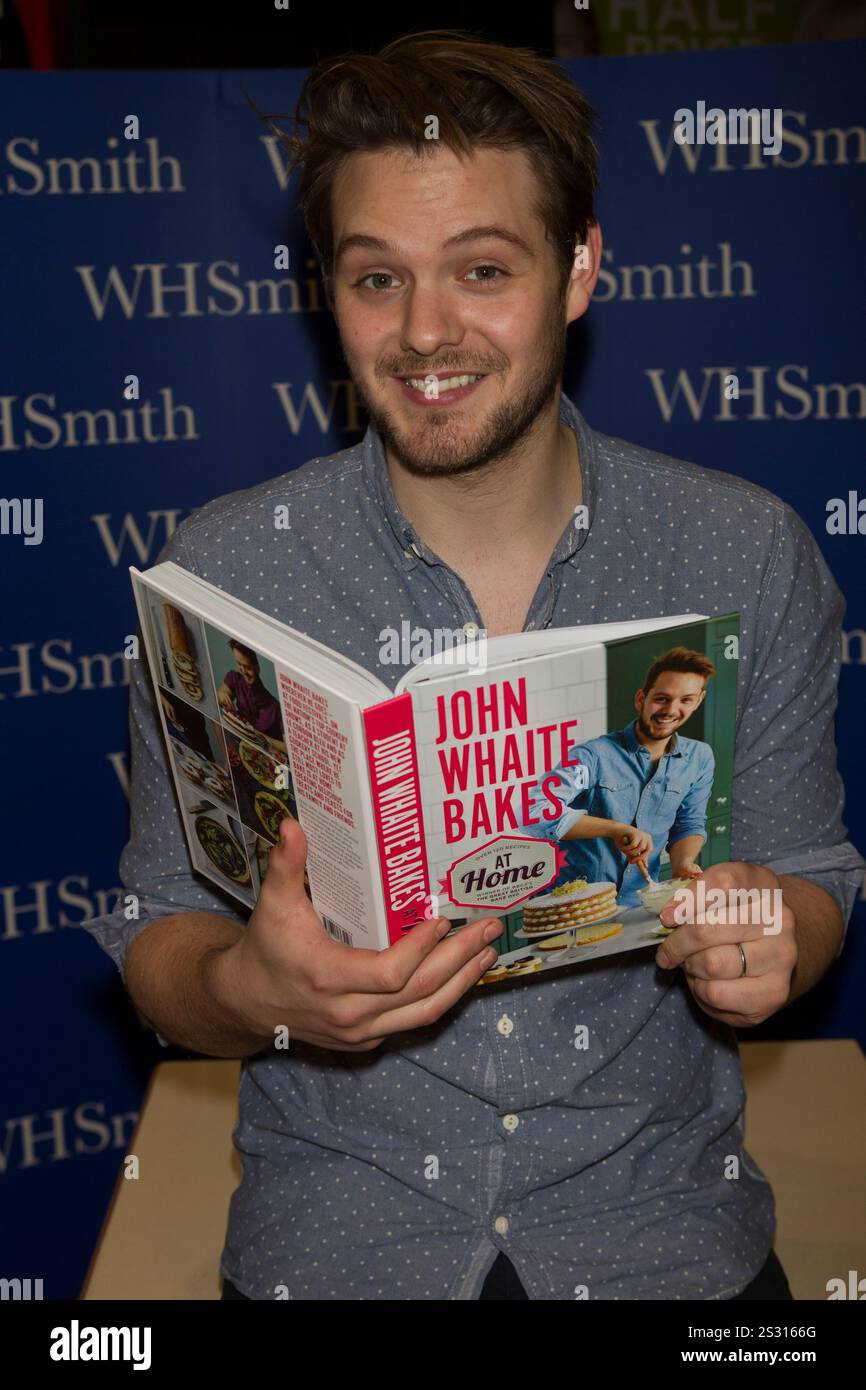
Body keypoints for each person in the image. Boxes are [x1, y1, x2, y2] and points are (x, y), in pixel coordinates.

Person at [82, 30, 864, 1301]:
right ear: (323, 292)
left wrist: (770, 930)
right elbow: (158, 937)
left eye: (481, 269)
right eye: (374, 279)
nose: (424, 333)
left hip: (661, 1244)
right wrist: (254, 989)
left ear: (577, 269)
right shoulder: (226, 572)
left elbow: (814, 873)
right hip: (336, 1249)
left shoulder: (741, 551)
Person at [521, 648, 715, 908]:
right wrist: (615, 829)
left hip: (639, 907)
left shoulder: (699, 758)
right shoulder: (592, 756)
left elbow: (689, 823)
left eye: (686, 700)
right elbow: (534, 811)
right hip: (571, 911)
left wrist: (682, 865)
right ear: (640, 699)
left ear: (699, 701)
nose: (671, 710)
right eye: (661, 698)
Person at [216, 641, 287, 754]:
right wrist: (221, 695)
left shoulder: (275, 707)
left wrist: (262, 738)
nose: (243, 671)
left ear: (257, 668)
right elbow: (221, 693)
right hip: (241, 749)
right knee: (217, 720)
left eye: (248, 667)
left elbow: (288, 749)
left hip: (265, 756)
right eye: (239, 664)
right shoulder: (235, 678)